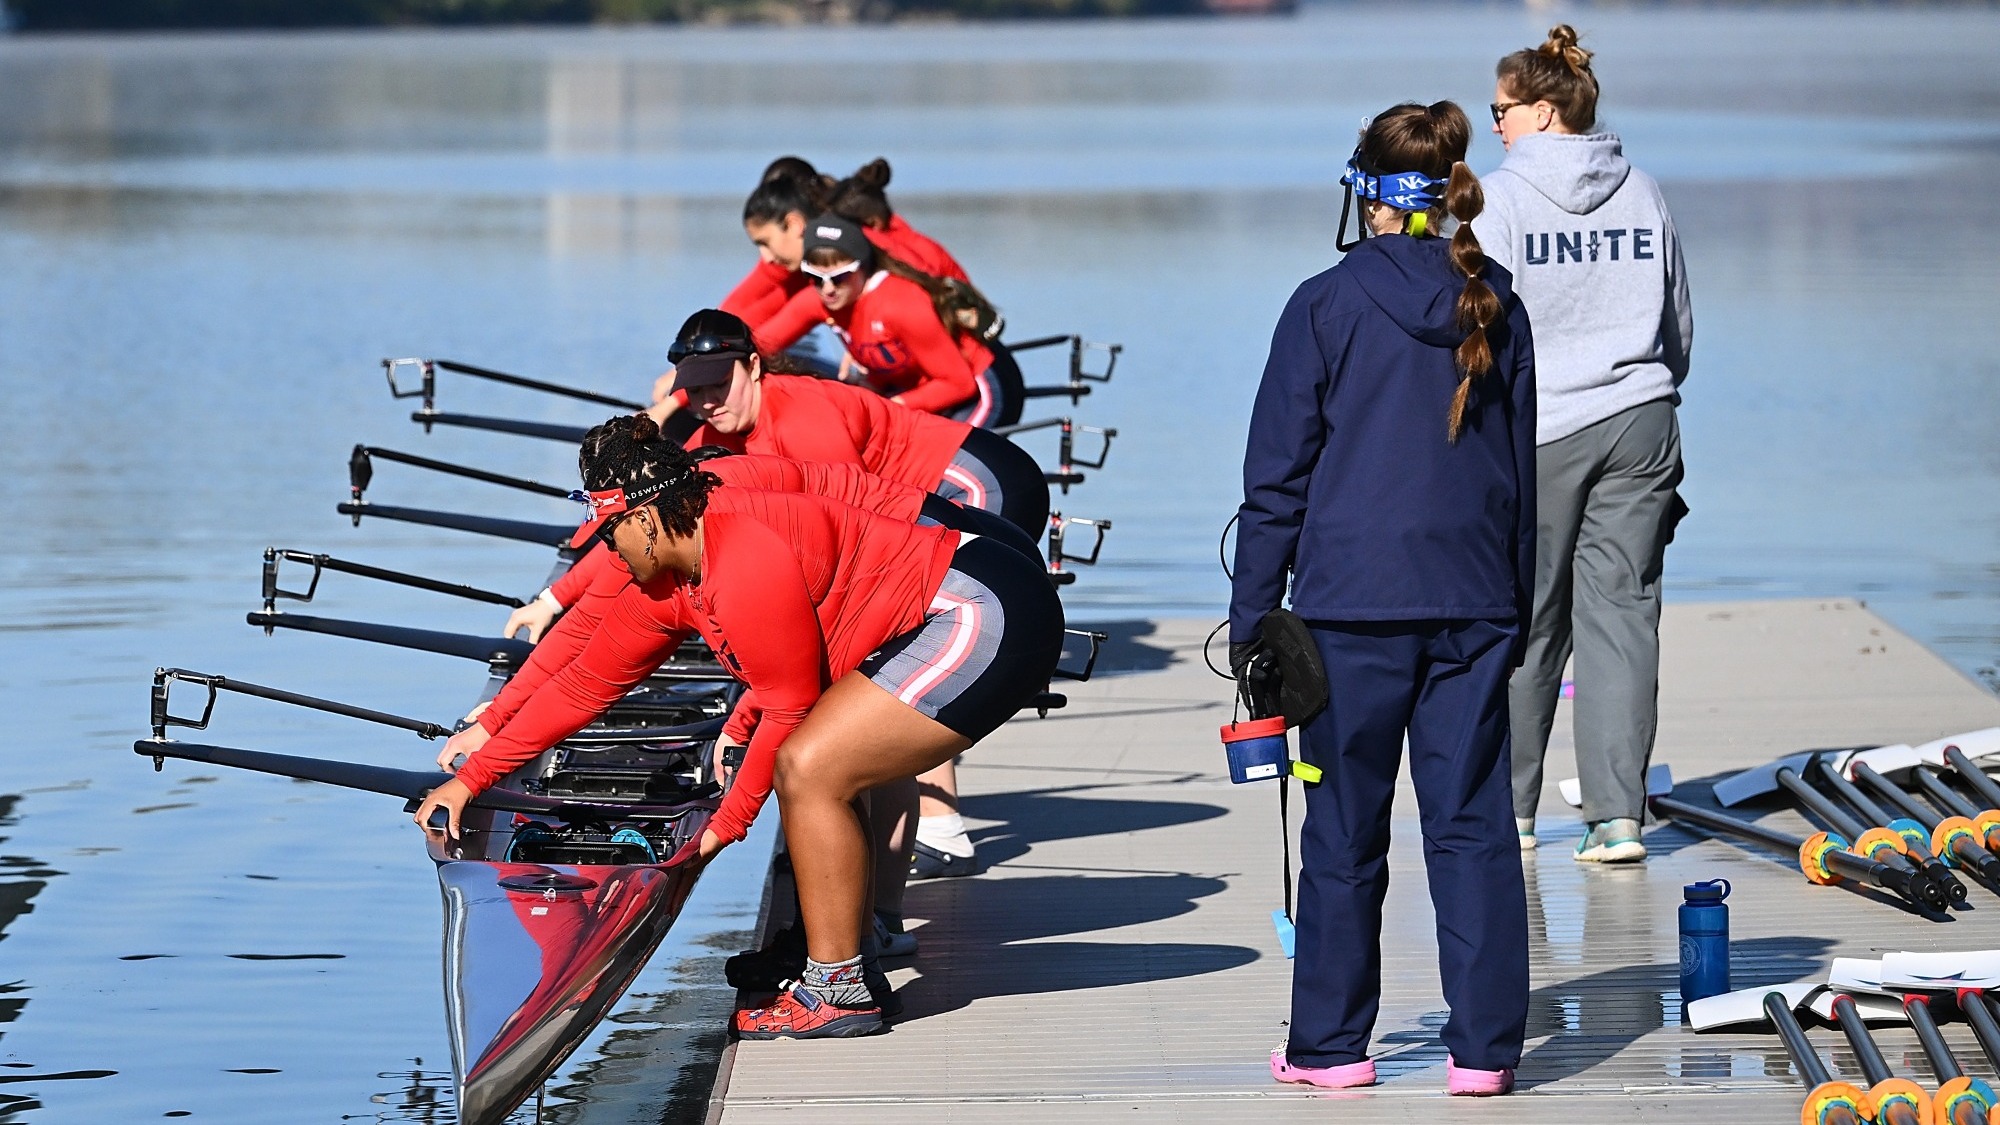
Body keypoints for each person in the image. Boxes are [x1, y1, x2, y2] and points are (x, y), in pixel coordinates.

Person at [414, 415, 1065, 1040]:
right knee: (828, 761)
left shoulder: (738, 552)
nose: (606, 553)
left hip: (981, 608)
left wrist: (724, 827)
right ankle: (847, 953)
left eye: (609, 535)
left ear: (643, 519)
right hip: (934, 612)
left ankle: (834, 991)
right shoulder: (669, 583)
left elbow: (787, 705)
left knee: (810, 768)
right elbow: (584, 682)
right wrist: (472, 780)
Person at [1230, 101, 1534, 1095]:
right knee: (1471, 824)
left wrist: (1251, 634)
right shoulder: (1495, 302)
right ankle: (1482, 1056)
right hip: (1472, 604)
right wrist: (1515, 608)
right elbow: (1518, 479)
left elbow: (1273, 486)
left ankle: (1329, 1048)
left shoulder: (1320, 304)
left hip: (1347, 613)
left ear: (1362, 194)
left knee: (1342, 831)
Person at [1476, 24, 1691, 862]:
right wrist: (1651, 382)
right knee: (1624, 615)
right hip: (1643, 414)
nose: (1494, 124)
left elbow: (1481, 330)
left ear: (1541, 109)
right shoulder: (1642, 188)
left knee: (1525, 619)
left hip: (1541, 426)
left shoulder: (1497, 199)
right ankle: (1617, 817)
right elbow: (1677, 319)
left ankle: (1512, 811)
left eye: (1502, 109)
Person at [669, 308, 1048, 542]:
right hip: (936, 500)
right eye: (695, 390)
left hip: (985, 483)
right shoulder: (715, 429)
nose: (708, 402)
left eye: (719, 384)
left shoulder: (800, 416)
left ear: (753, 366)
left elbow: (854, 526)